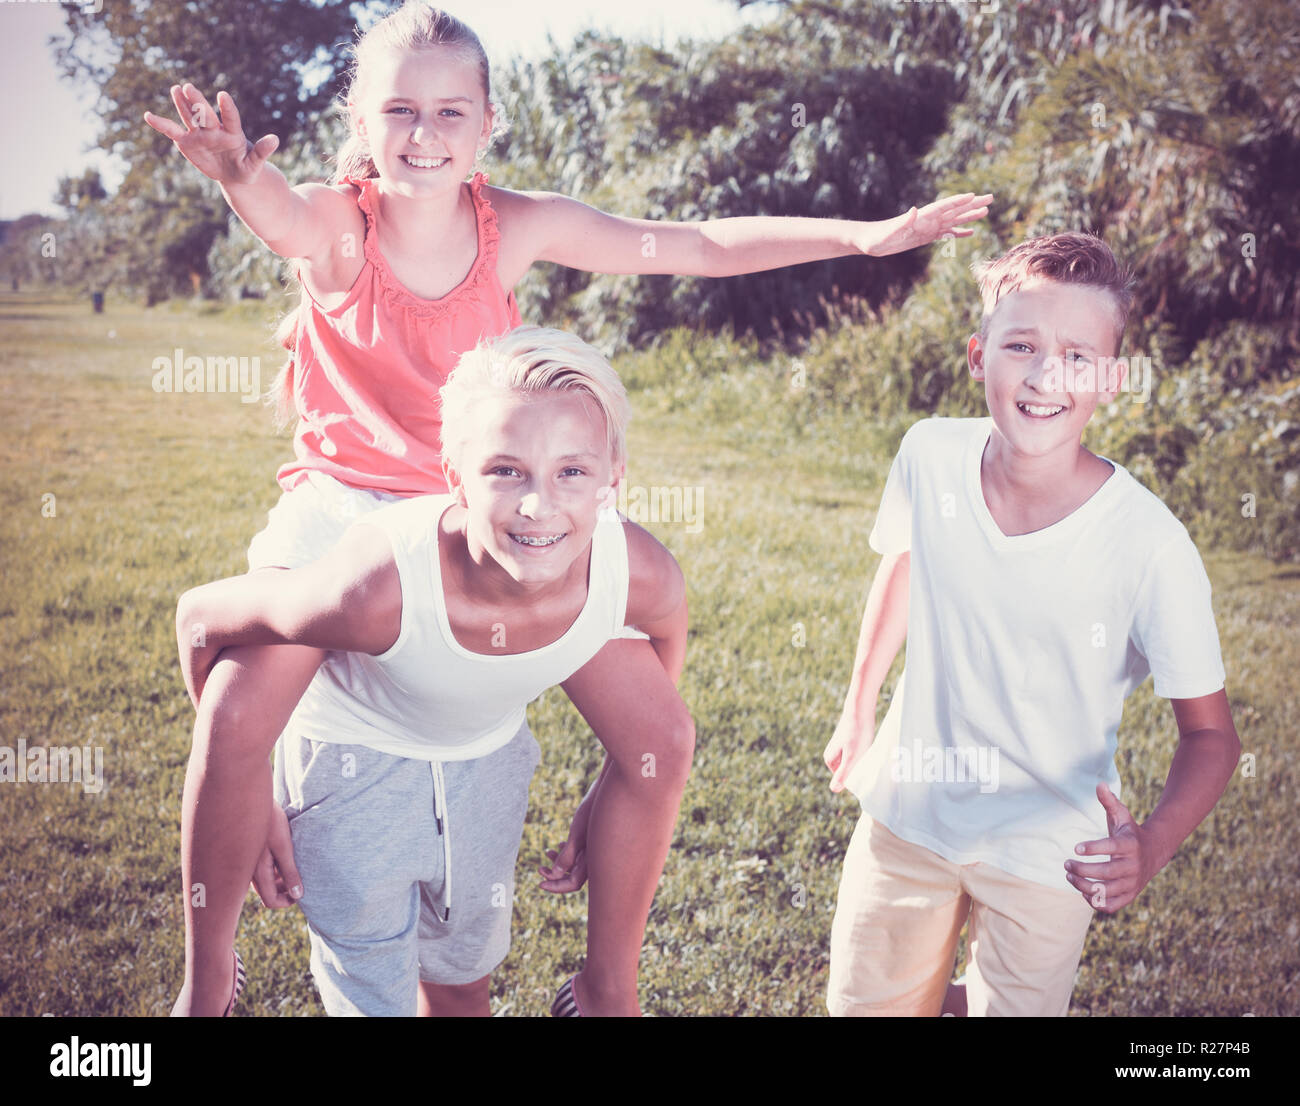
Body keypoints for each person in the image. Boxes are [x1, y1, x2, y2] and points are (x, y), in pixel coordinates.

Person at [144, 0, 991, 1016]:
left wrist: (863, 236)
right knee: (237, 708)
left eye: (452, 112)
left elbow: (692, 244)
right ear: (362, 125)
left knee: (658, 739)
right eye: (400, 111)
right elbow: (281, 212)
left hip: (493, 507)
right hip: (342, 508)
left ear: (488, 123)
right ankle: (209, 977)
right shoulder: (339, 227)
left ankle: (605, 986)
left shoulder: (517, 226)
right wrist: (242, 175)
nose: (425, 135)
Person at [174, 325, 687, 1016]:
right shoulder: (374, 589)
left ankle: (605, 995)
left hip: (481, 763)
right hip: (354, 766)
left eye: (572, 471)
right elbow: (199, 619)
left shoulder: (638, 573)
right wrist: (252, 784)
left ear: (612, 482)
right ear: (454, 481)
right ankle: (205, 990)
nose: (539, 505)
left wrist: (613, 782)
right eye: (506, 470)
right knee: (375, 997)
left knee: (459, 982)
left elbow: (664, 657)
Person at [822, 232, 1241, 1017]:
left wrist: (1148, 847)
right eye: (1023, 346)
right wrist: (858, 707)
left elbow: (1214, 739)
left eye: (1078, 356)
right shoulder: (929, 455)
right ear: (979, 356)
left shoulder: (1150, 545)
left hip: (1050, 852)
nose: (1047, 375)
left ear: (1111, 380)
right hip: (910, 814)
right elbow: (907, 564)